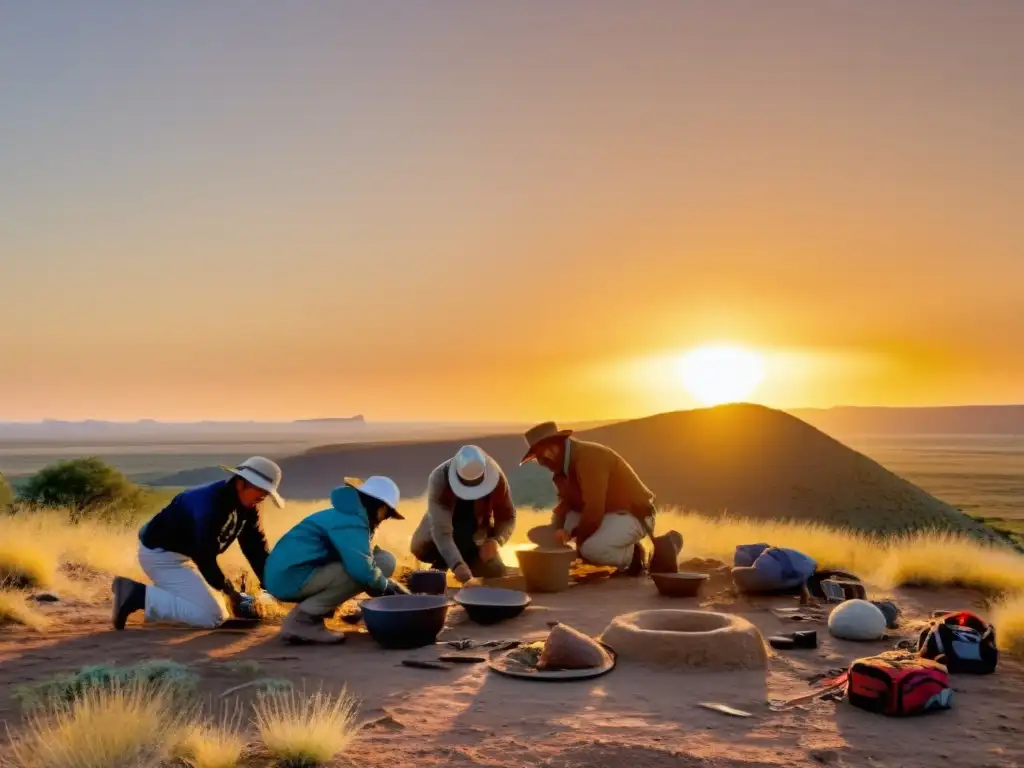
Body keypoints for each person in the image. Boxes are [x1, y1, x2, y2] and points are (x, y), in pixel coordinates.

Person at [111, 457, 284, 630]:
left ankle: (167, 593)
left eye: (267, 492)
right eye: (260, 489)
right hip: (161, 556)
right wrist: (231, 592)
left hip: (183, 556)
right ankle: (136, 595)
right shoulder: (211, 504)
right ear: (241, 483)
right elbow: (203, 556)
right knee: (211, 616)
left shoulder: (247, 506)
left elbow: (255, 549)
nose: (263, 496)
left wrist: (274, 586)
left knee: (217, 605)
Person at [263, 475, 409, 644]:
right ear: (381, 506)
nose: (385, 519)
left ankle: (325, 610)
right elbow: (361, 568)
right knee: (362, 571)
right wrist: (387, 585)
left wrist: (384, 588)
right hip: (290, 578)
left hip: (292, 573)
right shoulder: (352, 521)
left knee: (384, 560)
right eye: (388, 514)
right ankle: (302, 621)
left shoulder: (349, 515)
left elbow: (367, 554)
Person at [521, 422, 671, 575]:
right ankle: (597, 549)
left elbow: (594, 509)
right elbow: (565, 504)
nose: (540, 462)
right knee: (543, 535)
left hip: (632, 514)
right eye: (536, 457)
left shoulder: (589, 459)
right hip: (606, 515)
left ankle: (633, 557)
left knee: (591, 550)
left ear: (553, 448)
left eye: (540, 455)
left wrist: (578, 542)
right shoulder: (561, 471)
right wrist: (558, 529)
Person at [410, 445, 516, 583]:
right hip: (433, 542)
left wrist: (496, 541)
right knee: (461, 529)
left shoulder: (497, 479)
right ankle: (438, 568)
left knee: (495, 571)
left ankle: (448, 566)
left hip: (475, 539)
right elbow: (441, 531)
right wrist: (457, 565)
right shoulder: (439, 478)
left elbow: (508, 517)